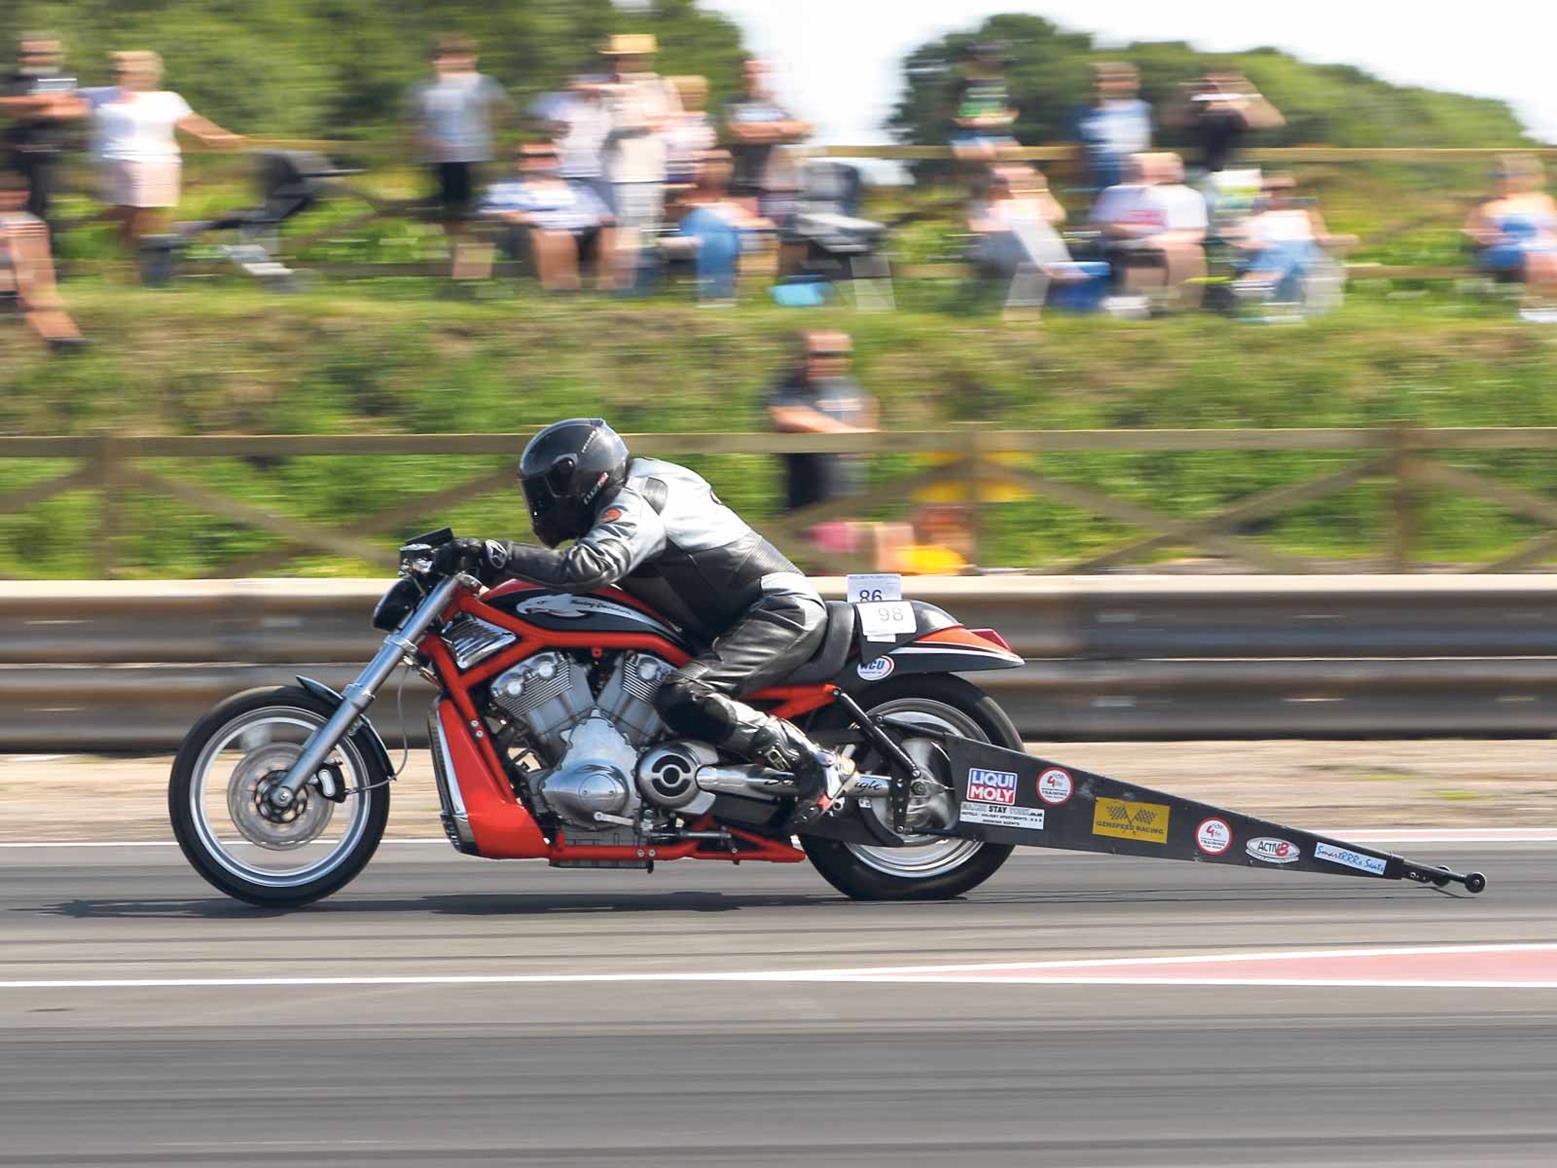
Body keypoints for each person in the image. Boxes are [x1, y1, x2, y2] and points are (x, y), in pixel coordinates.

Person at [431, 418, 847, 825]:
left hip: (777, 612)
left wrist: (498, 553)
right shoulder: (633, 489)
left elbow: (591, 566)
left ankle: (809, 759)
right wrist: (480, 566)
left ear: (572, 480)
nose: (539, 503)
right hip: (731, 623)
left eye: (543, 492)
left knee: (684, 694)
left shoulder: (636, 499)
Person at [82, 50, 243, 254]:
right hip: (122, 160)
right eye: (119, 70)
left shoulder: (168, 99)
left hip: (162, 161)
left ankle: (137, 257)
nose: (123, 75)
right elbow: (63, 103)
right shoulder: (99, 95)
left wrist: (220, 136)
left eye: (130, 71)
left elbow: (191, 122)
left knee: (149, 213)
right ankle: (132, 256)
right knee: (135, 211)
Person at [406, 35, 513, 278]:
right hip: (442, 162)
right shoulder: (423, 88)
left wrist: (490, 137)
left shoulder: (485, 84)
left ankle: (474, 273)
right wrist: (429, 141)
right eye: (442, 56)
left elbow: (504, 114)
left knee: (481, 218)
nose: (448, 61)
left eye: (456, 55)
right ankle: (458, 273)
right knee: (450, 220)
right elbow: (412, 125)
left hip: (477, 158)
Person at [598, 34, 681, 283]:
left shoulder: (663, 85)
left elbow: (674, 119)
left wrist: (649, 123)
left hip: (653, 168)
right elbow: (613, 125)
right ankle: (623, 285)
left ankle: (643, 285)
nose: (621, 62)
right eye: (617, 58)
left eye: (625, 57)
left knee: (648, 230)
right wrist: (651, 122)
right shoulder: (609, 89)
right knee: (625, 231)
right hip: (623, 171)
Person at [766, 331, 878, 513]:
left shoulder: (848, 386)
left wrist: (863, 437)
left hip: (850, 504)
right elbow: (786, 416)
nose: (821, 362)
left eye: (833, 355)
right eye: (814, 355)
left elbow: (869, 407)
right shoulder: (790, 386)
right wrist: (847, 434)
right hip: (804, 506)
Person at [480, 143, 615, 291]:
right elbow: (490, 213)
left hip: (583, 233)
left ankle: (611, 290)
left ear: (559, 160)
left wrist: (597, 221)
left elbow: (604, 216)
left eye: (547, 156)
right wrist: (523, 217)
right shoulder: (506, 187)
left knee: (614, 236)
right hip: (531, 235)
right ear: (520, 162)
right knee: (557, 237)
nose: (538, 161)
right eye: (528, 157)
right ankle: (562, 291)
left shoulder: (578, 187)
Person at [1091, 152, 1207, 309]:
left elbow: (1196, 232)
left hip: (1172, 245)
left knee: (1187, 253)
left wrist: (1159, 241)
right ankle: (1136, 304)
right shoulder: (1116, 194)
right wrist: (1135, 234)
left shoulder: (1189, 196)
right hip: (1123, 245)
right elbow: (1100, 224)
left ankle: (1179, 305)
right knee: (1141, 253)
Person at [0, 34, 85, 240]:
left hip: (50, 153)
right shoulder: (14, 79)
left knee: (44, 206)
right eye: (27, 53)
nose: (32, 58)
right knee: (14, 204)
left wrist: (31, 105)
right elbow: (6, 107)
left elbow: (75, 110)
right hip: (18, 152)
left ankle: (44, 252)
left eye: (39, 53)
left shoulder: (66, 77)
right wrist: (49, 100)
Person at [967, 164, 1080, 314]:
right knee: (1024, 236)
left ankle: (1025, 307)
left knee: (1034, 234)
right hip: (997, 249)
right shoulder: (983, 204)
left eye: (1012, 180)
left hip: (1032, 251)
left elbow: (1058, 216)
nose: (1006, 185)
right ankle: (1051, 272)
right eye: (1000, 181)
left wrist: (1043, 191)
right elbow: (978, 227)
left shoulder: (1029, 203)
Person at [671, 149, 772, 304]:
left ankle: (722, 293)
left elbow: (753, 221)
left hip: (733, 234)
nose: (717, 168)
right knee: (715, 233)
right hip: (699, 233)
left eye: (723, 162)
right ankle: (718, 294)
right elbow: (679, 217)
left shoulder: (740, 191)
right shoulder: (688, 192)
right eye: (711, 163)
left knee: (724, 235)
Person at [1464, 154, 1557, 322]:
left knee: (1546, 252)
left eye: (1512, 175)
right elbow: (1478, 235)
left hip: (1543, 245)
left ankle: (1545, 305)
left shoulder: (1543, 201)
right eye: (1500, 176)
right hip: (1506, 248)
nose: (1507, 180)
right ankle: (1535, 306)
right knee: (1538, 255)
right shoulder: (1488, 205)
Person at [1, 169, 84, 349]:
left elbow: (42, 262)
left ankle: (65, 339)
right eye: (3, 198)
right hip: (10, 283)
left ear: (25, 196)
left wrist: (47, 290)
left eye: (13, 197)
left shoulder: (32, 223)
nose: (7, 203)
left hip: (22, 285)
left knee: (42, 303)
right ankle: (63, 340)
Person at [722, 58, 811, 223]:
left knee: (774, 235)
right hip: (743, 181)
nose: (755, 75)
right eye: (750, 71)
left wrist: (761, 129)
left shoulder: (775, 105)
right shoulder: (734, 102)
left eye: (760, 71)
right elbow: (742, 132)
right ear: (743, 76)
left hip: (775, 184)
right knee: (746, 233)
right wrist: (780, 129)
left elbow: (804, 129)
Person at [1165, 71, 1283, 176]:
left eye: (1221, 84)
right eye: (1210, 84)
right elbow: (1170, 119)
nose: (1215, 87)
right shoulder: (1199, 110)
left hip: (1237, 172)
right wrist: (1184, 94)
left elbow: (1274, 120)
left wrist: (1248, 93)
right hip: (1202, 172)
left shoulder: (1239, 110)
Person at [1075, 62, 1151, 192]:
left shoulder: (1142, 109)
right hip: (1101, 177)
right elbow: (1079, 149)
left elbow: (1148, 146)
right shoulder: (1084, 111)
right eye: (1103, 80)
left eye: (1119, 79)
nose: (1112, 84)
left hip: (1136, 176)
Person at [948, 41, 1018, 161]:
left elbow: (1011, 113)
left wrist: (995, 120)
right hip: (968, 137)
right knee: (986, 153)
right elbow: (956, 117)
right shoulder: (961, 86)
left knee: (1012, 154)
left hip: (997, 135)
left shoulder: (1004, 86)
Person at [664, 76, 717, 186]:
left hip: (693, 173)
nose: (692, 97)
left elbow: (705, 143)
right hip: (666, 171)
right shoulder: (663, 120)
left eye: (698, 93)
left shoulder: (706, 119)